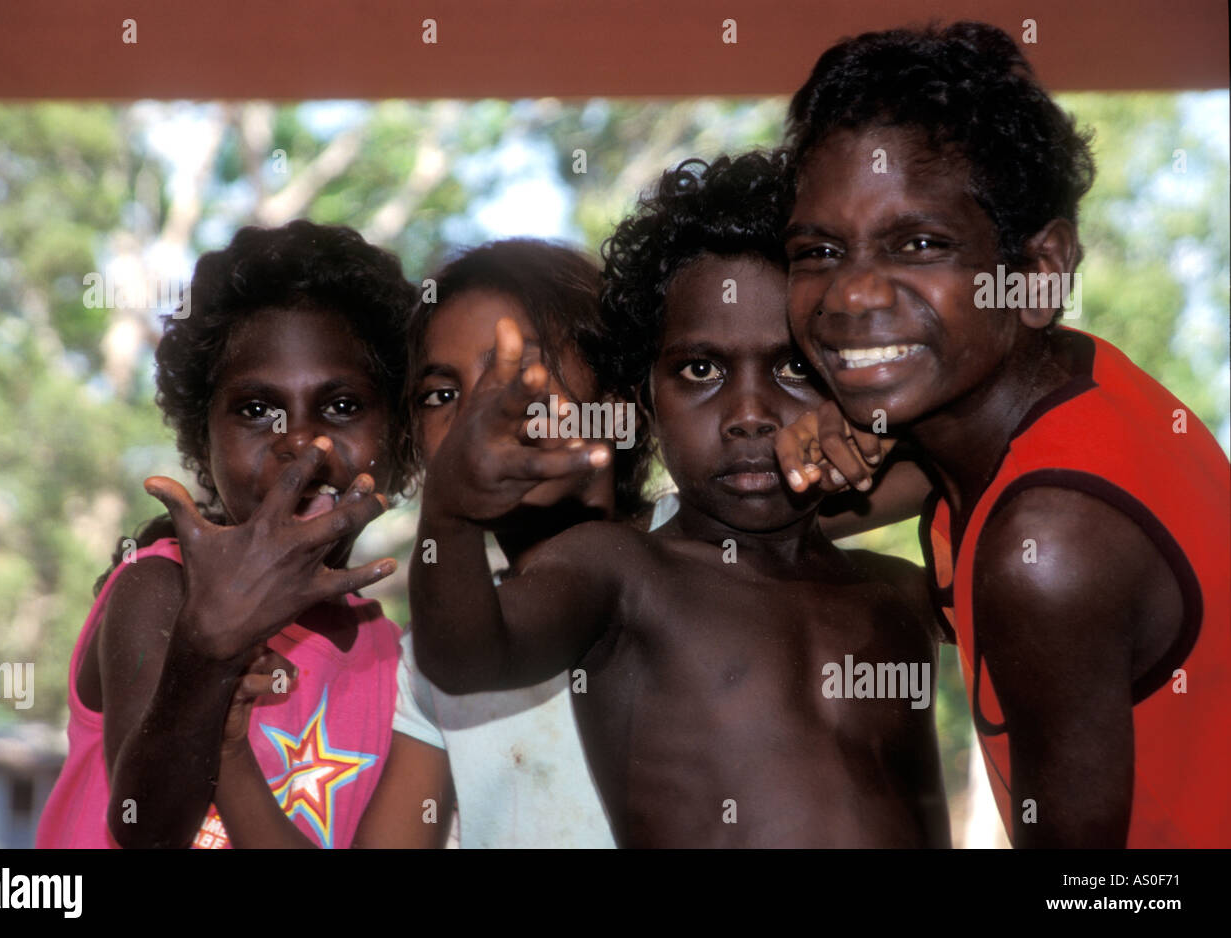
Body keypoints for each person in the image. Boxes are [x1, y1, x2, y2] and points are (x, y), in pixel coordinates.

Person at [410, 153, 950, 847]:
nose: (749, 413)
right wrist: (450, 514)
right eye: (701, 369)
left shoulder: (898, 594)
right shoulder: (621, 573)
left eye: (792, 367)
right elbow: (465, 657)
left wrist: (891, 422)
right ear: (645, 403)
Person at [779, 22, 1231, 847]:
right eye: (817, 251)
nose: (850, 297)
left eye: (919, 244)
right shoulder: (1048, 398)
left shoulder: (1052, 544)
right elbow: (752, 519)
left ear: (1035, 274)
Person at [36, 220, 414, 848]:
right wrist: (207, 651)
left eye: (343, 405)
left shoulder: (393, 662)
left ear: (398, 438)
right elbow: (146, 831)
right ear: (201, 438)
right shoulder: (158, 590)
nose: (301, 441)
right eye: (256, 409)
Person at [361, 238, 657, 848]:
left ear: (617, 393)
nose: (478, 417)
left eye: (521, 372)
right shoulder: (427, 662)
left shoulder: (703, 549)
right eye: (442, 396)